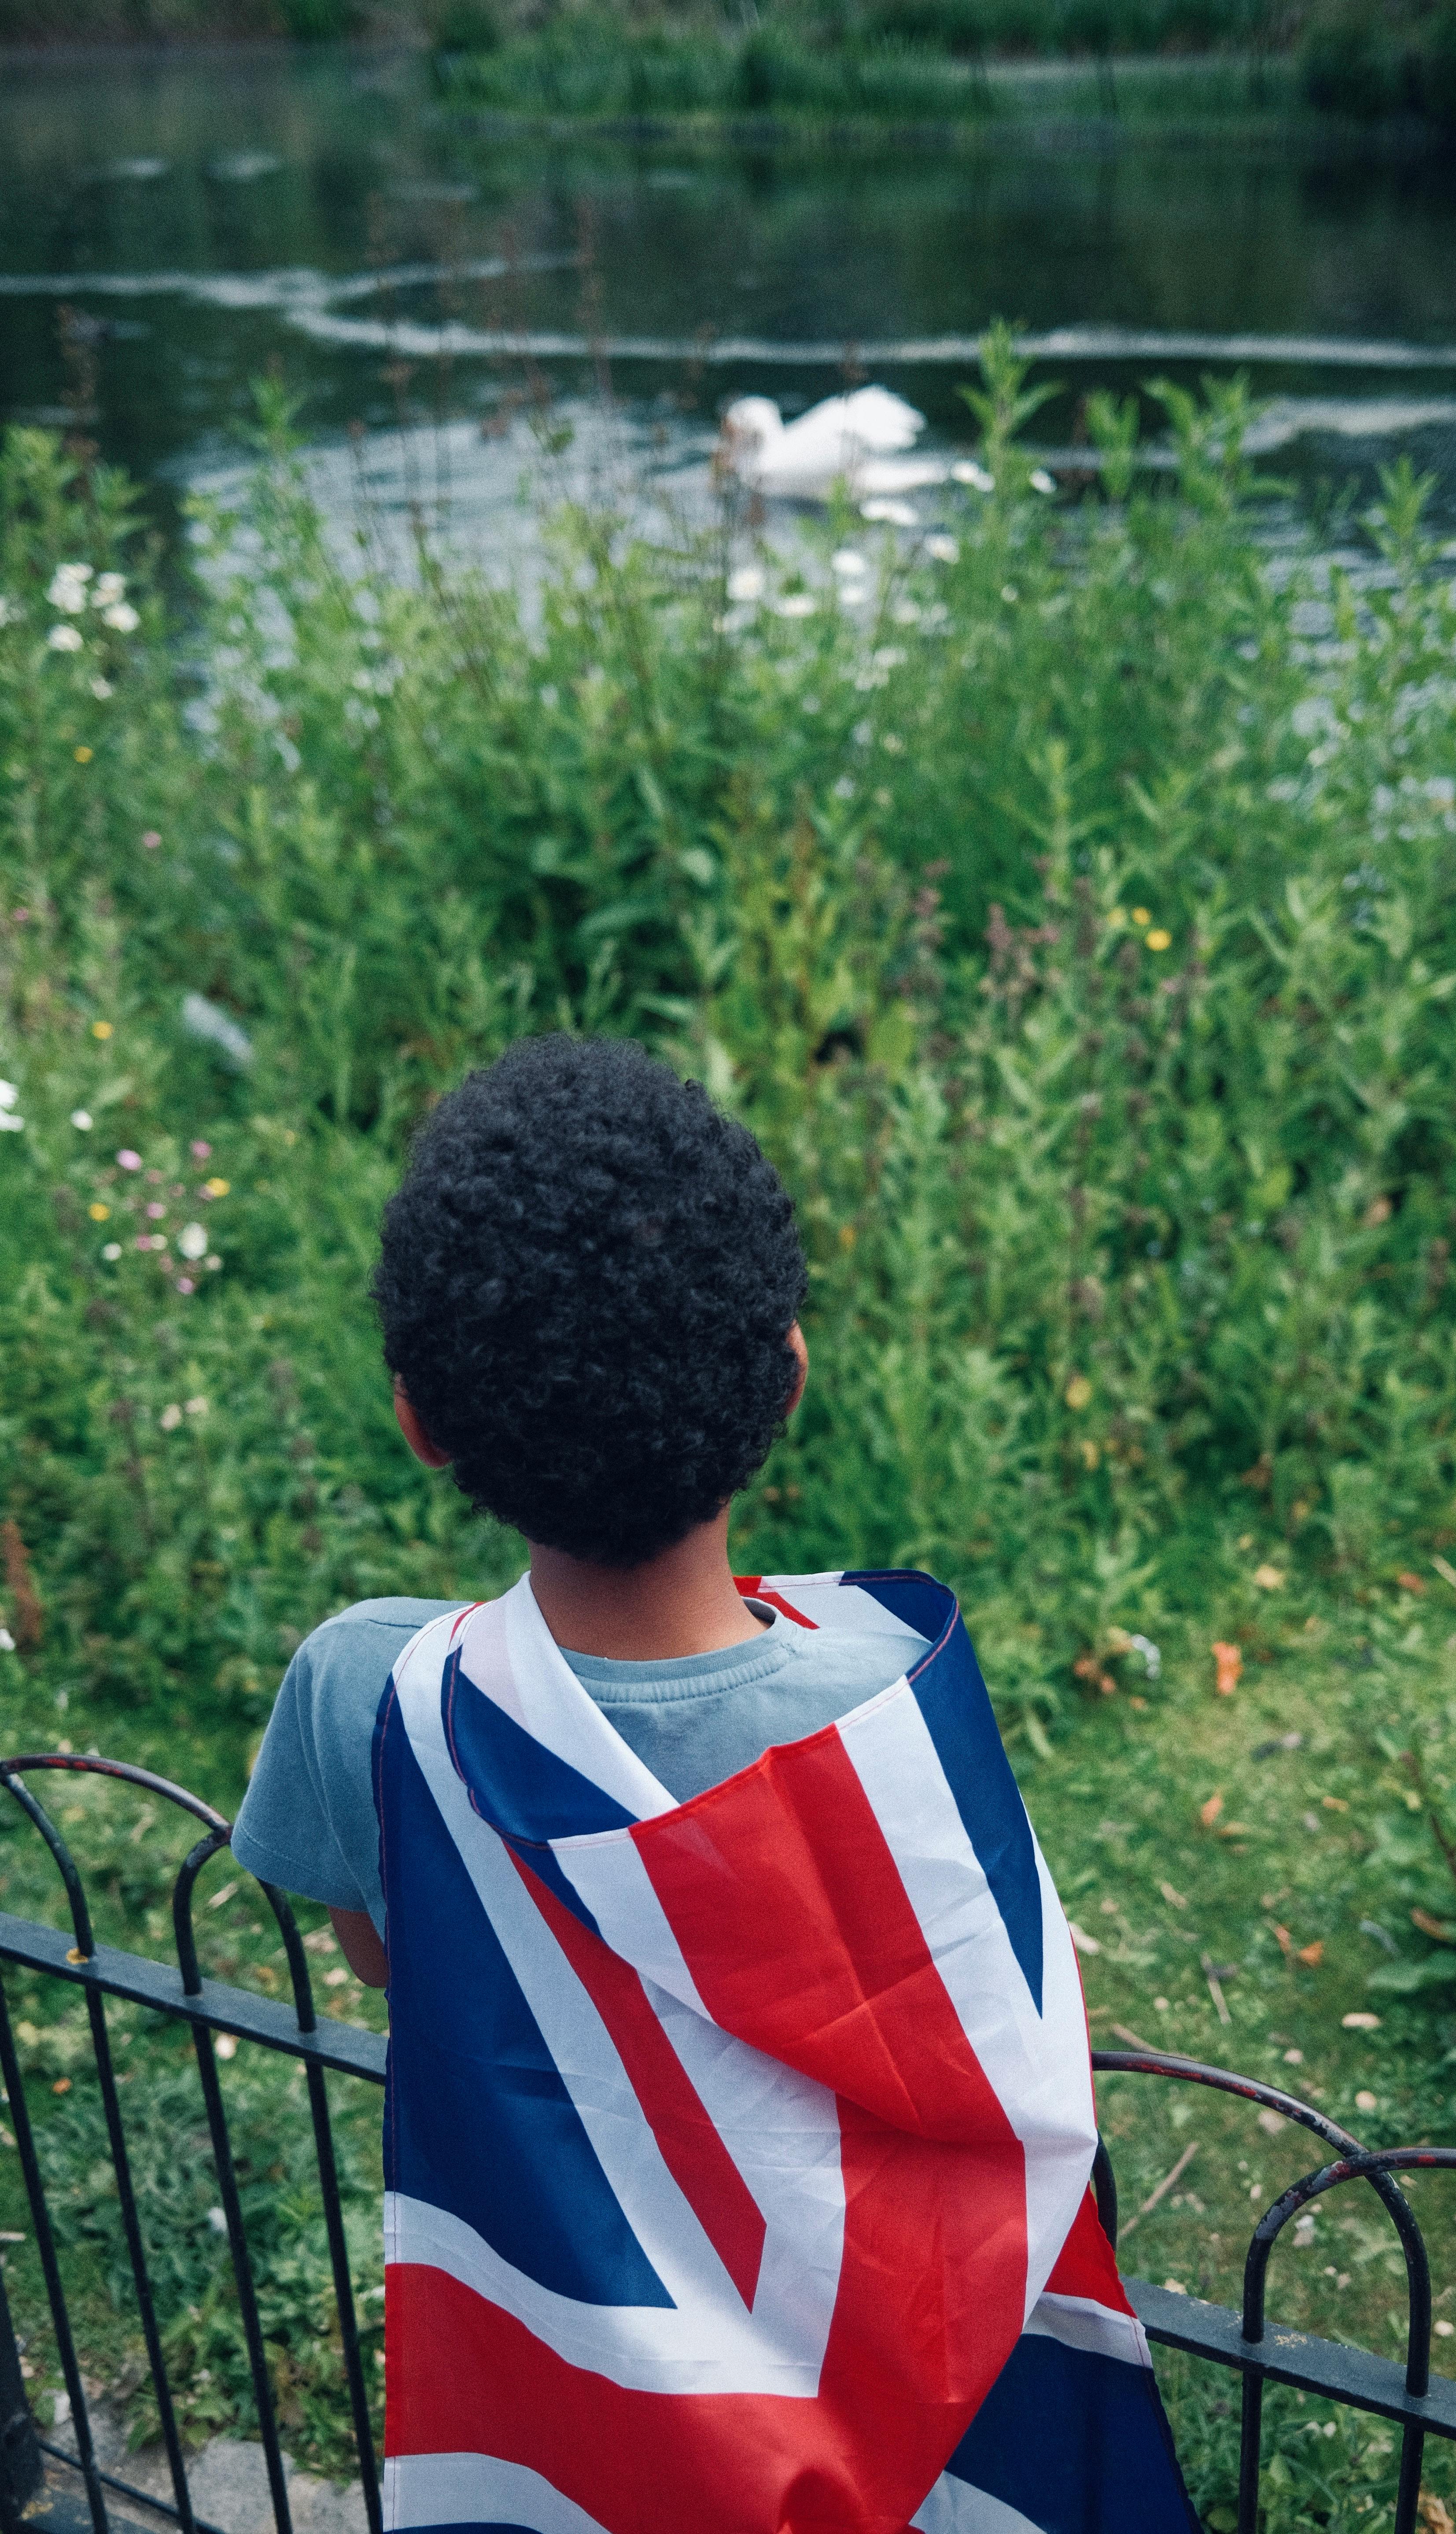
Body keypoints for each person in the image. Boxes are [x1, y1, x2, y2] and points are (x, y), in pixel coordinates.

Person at [233, 1034, 1196, 2534]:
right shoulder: (891, 1704)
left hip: (577, 2433)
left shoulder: (366, 1692)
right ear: (789, 1374)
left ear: (419, 1419)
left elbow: (390, 1948)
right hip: (887, 2450)